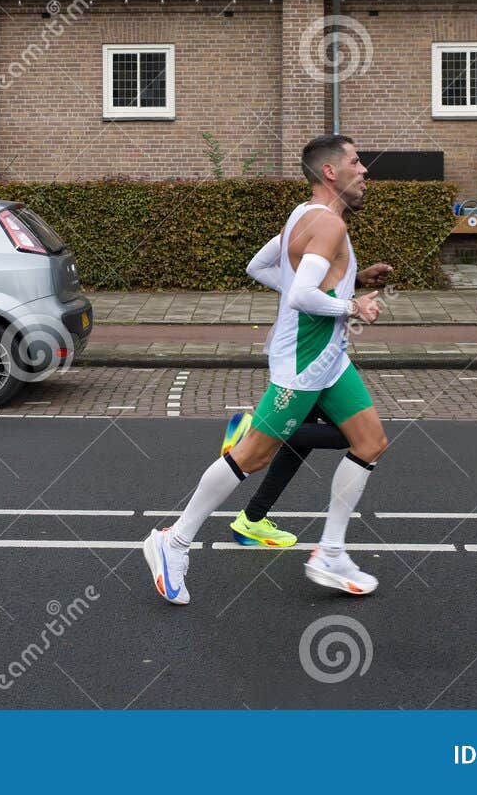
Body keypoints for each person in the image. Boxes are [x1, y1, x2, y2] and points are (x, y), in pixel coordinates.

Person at [143, 134, 389, 603]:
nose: (364, 171)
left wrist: (349, 284)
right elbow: (299, 295)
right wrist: (352, 307)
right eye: (356, 162)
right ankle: (173, 541)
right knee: (252, 456)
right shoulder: (330, 226)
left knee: (370, 442)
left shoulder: (302, 215)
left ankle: (331, 553)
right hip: (301, 365)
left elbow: (261, 267)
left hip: (329, 360)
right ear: (331, 173)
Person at [220, 240, 392, 548]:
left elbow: (293, 281)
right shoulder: (317, 225)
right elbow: (300, 290)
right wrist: (351, 305)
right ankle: (256, 432)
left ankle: (253, 519)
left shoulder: (313, 225)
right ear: (329, 187)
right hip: (307, 356)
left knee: (296, 446)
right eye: (360, 185)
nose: (365, 187)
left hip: (315, 356)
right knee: (351, 437)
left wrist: (357, 278)